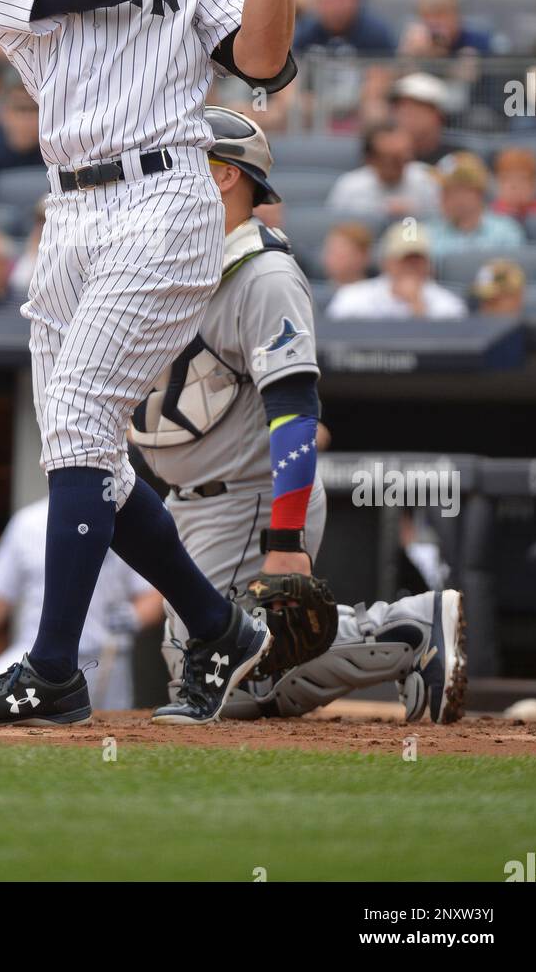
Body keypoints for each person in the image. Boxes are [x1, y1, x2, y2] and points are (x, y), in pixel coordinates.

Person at [0, 0, 302, 727]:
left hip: (165, 196)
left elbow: (262, 61)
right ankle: (219, 626)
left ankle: (53, 671)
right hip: (69, 212)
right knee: (85, 450)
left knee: (85, 415)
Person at [128, 108, 465, 723]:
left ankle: (401, 630)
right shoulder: (174, 262)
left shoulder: (266, 274)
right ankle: (410, 631)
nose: (160, 177)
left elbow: (295, 412)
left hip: (251, 496)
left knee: (214, 678)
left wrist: (286, 540)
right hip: (191, 498)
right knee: (244, 682)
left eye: (180, 160)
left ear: (226, 175)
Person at [0, 496, 161, 710]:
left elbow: (152, 595)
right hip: (34, 656)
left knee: (105, 728)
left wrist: (134, 616)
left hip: (103, 658)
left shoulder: (121, 521)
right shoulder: (28, 522)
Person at [326, 221, 467, 319]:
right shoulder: (352, 297)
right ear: (387, 263)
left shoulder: (448, 305)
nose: (410, 267)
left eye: (417, 260)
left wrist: (417, 305)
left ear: (429, 265)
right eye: (404, 260)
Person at [327, 122, 440, 218]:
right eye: (391, 158)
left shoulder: (427, 179)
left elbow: (442, 225)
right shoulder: (350, 186)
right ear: (370, 159)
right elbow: (335, 227)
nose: (400, 164)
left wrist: (415, 212)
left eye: (404, 155)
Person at [428, 152, 526, 259]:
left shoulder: (506, 231)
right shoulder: (431, 234)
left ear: (476, 192)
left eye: (451, 191)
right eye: (443, 191)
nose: (443, 198)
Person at [390, 72, 452, 165]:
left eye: (414, 108)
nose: (403, 114)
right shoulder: (383, 158)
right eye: (399, 106)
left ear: (437, 115)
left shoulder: (457, 159)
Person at [491, 148, 536, 225]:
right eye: (508, 179)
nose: (515, 186)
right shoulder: (490, 216)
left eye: (522, 179)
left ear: (534, 184)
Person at [321, 220, 373, 289]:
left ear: (362, 256)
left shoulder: (374, 295)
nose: (332, 258)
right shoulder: (311, 293)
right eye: (330, 251)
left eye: (339, 253)